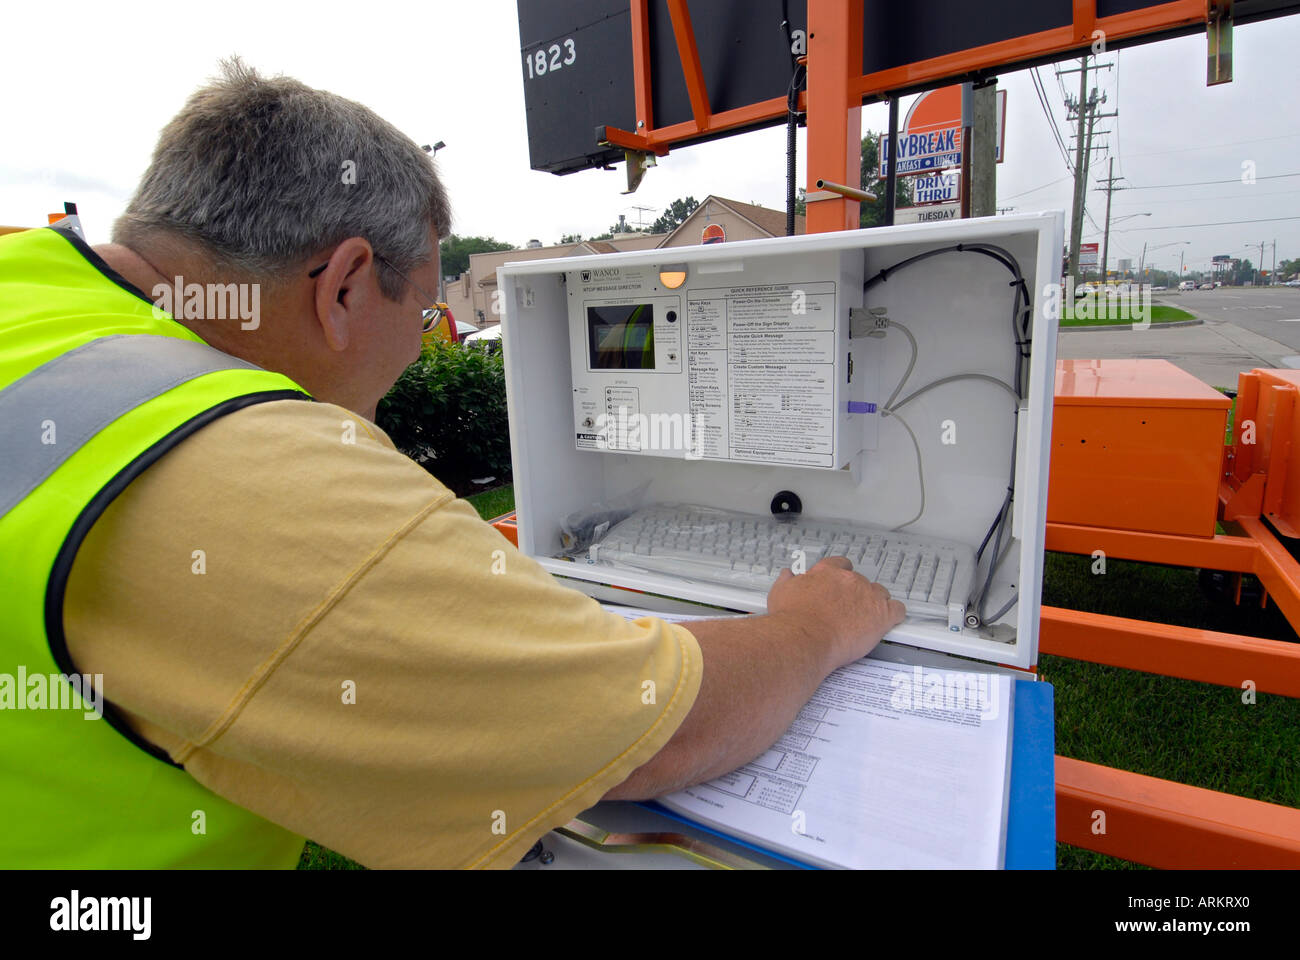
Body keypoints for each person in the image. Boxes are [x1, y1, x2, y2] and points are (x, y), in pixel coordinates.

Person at [0, 58, 903, 869]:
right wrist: (812, 626)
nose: (417, 353)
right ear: (346, 286)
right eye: (424, 310)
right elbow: (650, 731)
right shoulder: (246, 465)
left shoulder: (28, 285)